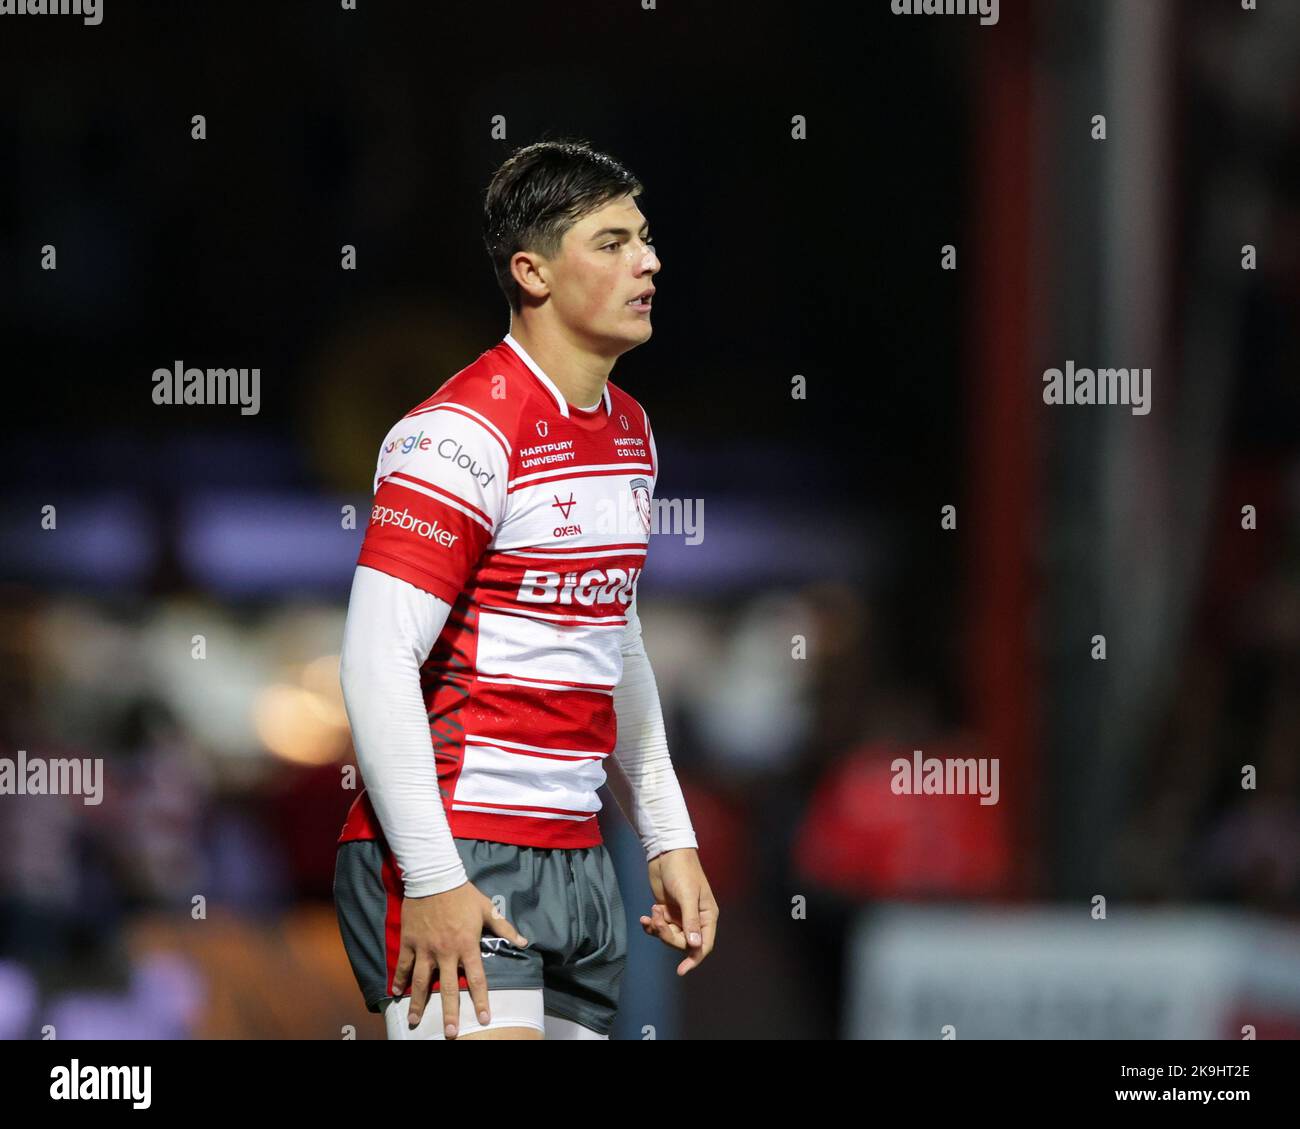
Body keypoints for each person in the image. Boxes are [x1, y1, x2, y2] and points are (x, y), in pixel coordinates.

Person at [333, 139, 718, 1041]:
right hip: (456, 841)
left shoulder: (631, 431)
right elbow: (374, 658)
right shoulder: (459, 435)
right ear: (531, 272)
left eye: (647, 238)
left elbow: (612, 641)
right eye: (614, 241)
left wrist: (665, 832)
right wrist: (431, 876)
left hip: (579, 856)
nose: (649, 261)